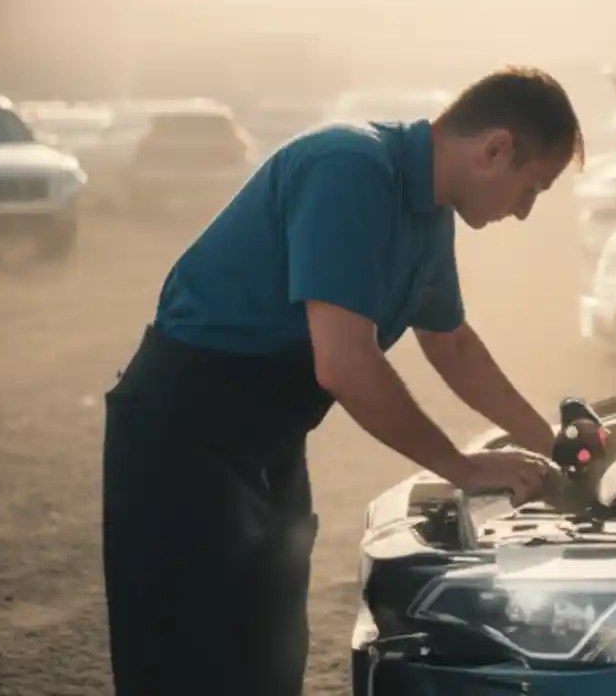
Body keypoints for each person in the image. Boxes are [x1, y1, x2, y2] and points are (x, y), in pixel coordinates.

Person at [101, 66, 584, 695]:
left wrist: (549, 444)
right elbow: (346, 364)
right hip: (182, 438)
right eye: (533, 189)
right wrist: (461, 467)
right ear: (495, 149)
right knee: (187, 667)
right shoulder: (348, 168)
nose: (523, 213)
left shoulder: (430, 211)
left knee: (268, 662)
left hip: (267, 443)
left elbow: (453, 343)